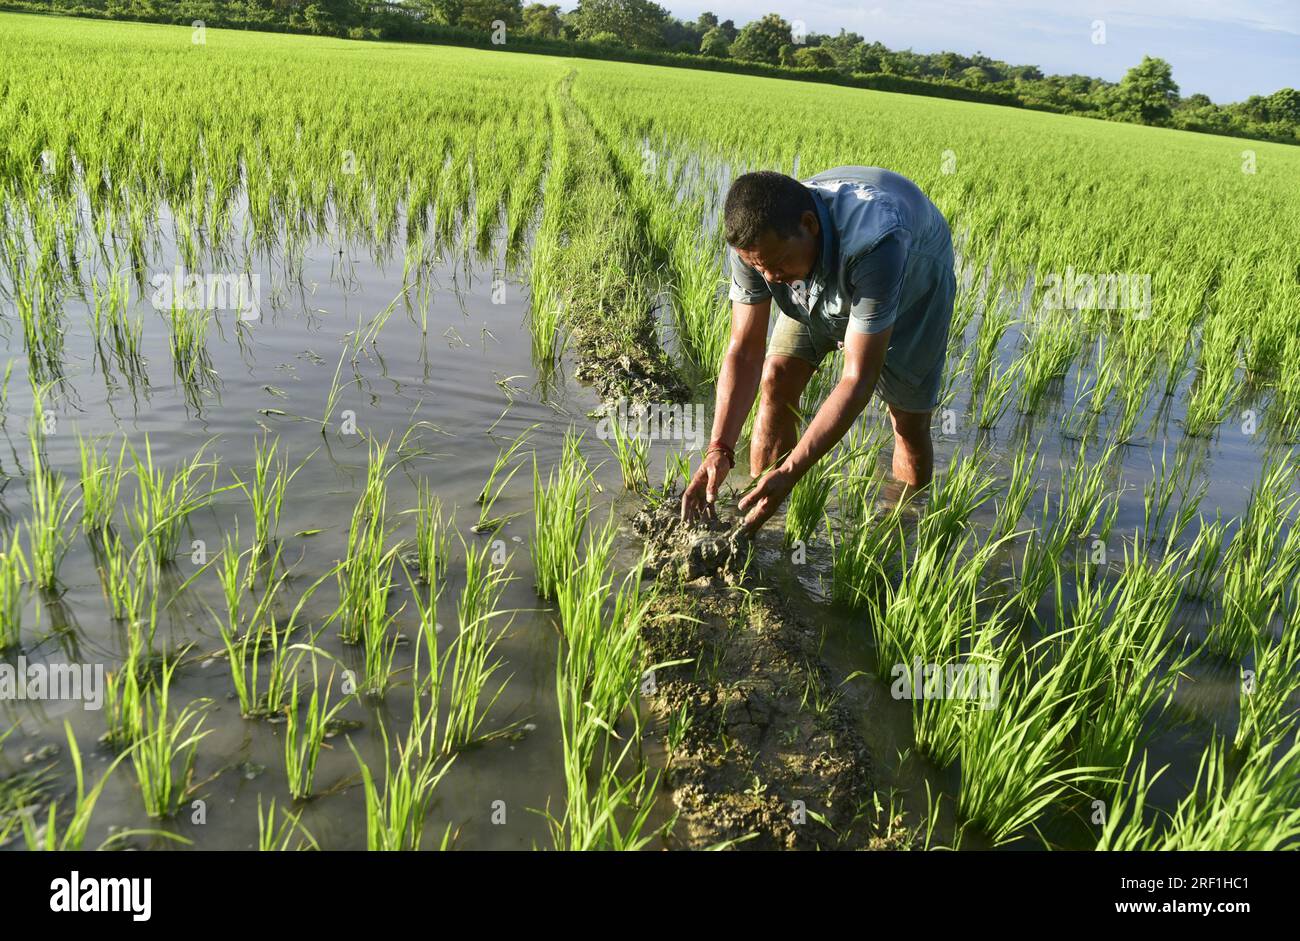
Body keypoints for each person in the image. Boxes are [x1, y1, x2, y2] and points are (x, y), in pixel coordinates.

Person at [680, 166, 956, 533]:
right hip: (813, 278)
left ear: (809, 225)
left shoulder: (877, 243)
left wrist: (793, 472)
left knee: (906, 422)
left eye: (776, 264)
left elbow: (857, 379)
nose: (770, 279)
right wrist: (719, 448)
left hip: (911, 286)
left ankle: (900, 532)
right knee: (776, 379)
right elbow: (745, 350)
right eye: (758, 268)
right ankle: (763, 514)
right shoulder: (756, 244)